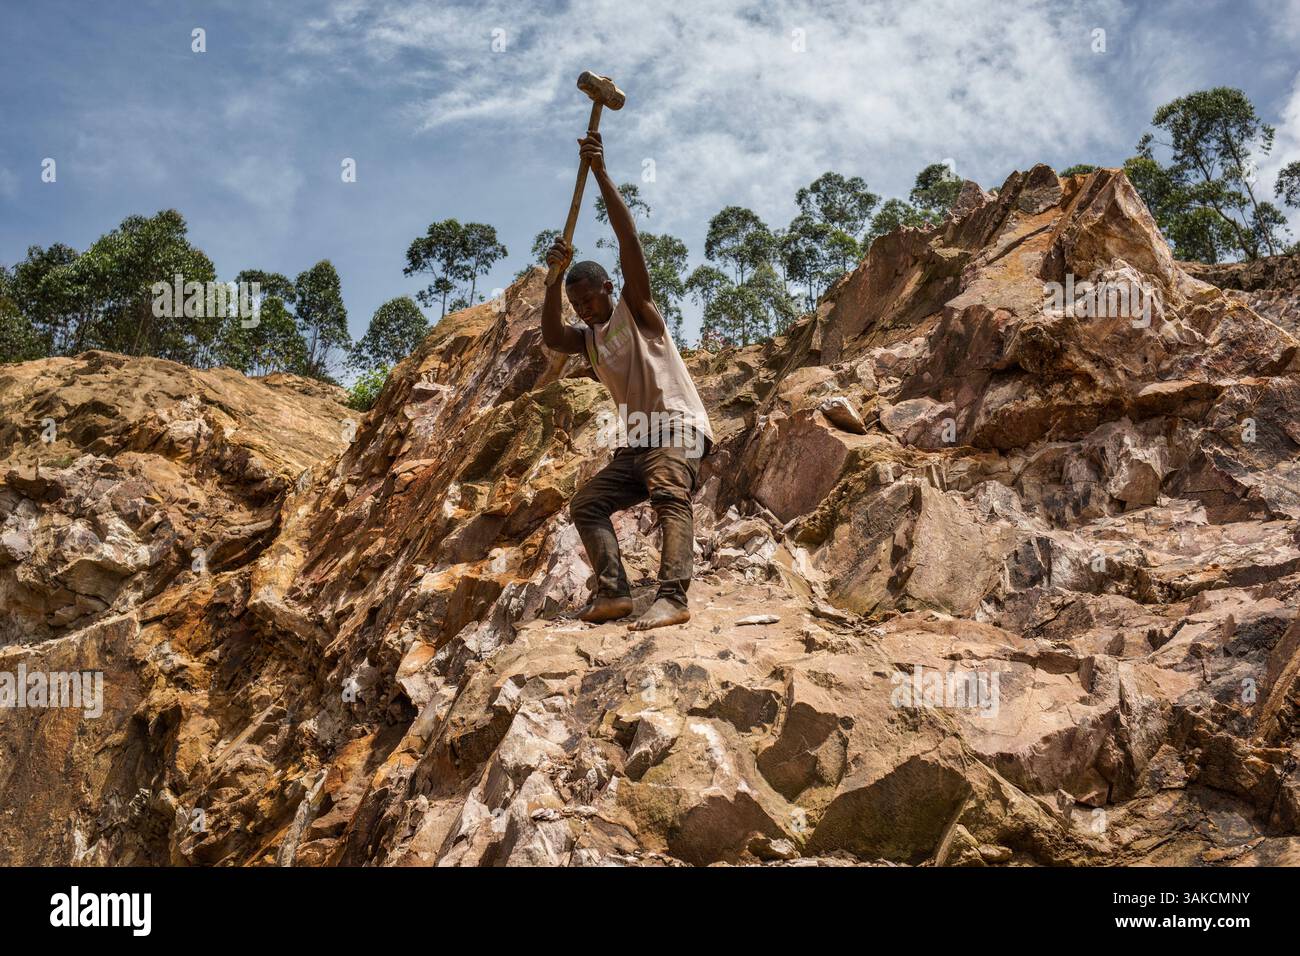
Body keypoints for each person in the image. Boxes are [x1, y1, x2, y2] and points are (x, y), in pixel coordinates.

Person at [539, 131, 714, 632]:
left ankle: (673, 598)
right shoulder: (589, 339)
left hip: (676, 429)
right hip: (637, 443)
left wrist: (600, 173)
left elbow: (629, 240)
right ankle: (614, 594)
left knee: (668, 496)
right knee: (587, 504)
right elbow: (552, 336)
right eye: (578, 306)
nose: (585, 310)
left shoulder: (635, 311)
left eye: (589, 299)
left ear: (608, 288)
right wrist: (554, 282)